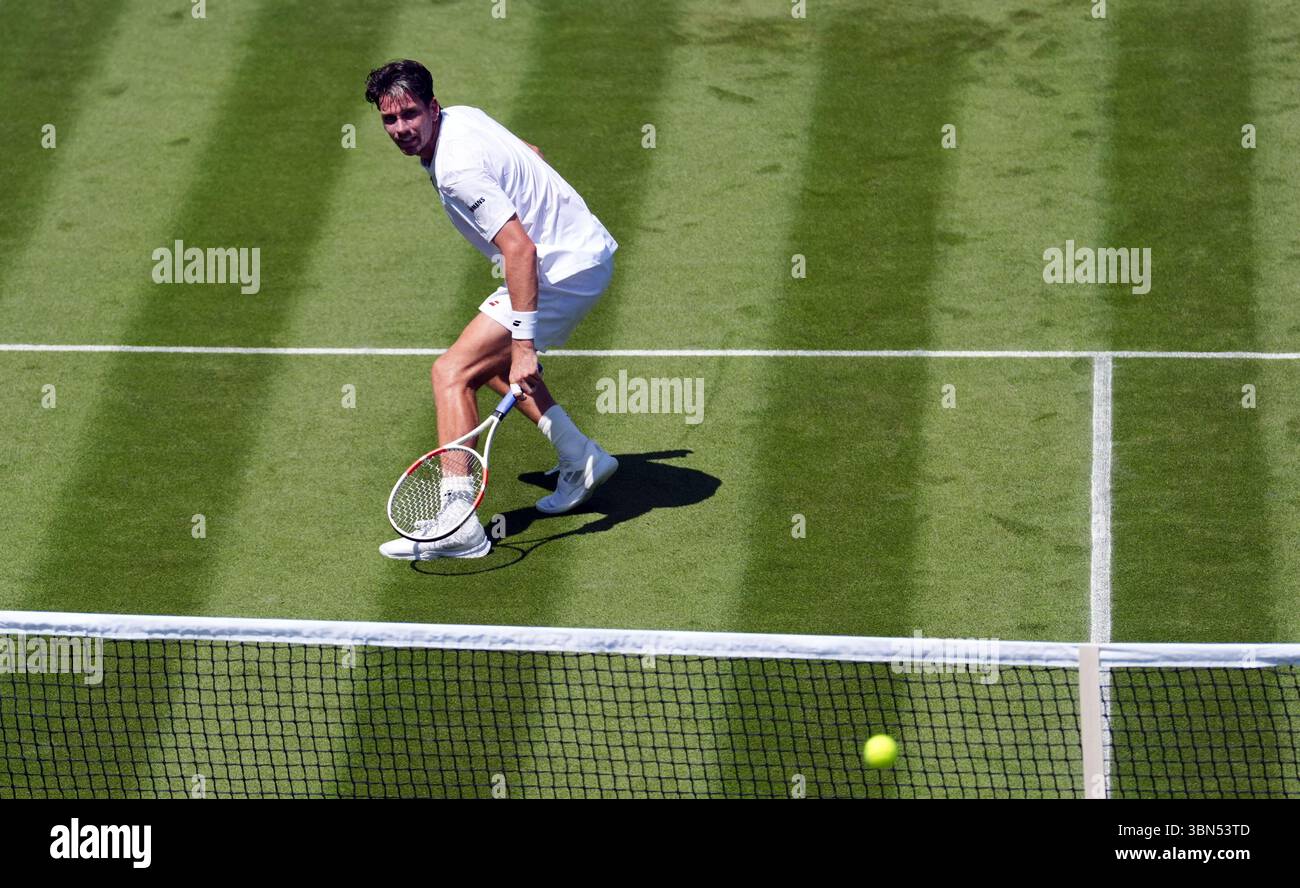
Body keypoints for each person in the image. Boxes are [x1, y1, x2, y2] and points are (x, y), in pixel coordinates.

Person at [366, 60, 619, 560]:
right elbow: (530, 152)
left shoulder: (457, 171)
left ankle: (458, 521)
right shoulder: (463, 116)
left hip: (559, 269)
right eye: (389, 120)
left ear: (432, 107)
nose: (401, 130)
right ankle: (580, 455)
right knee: (485, 363)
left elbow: (520, 251)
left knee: (452, 372)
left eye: (411, 115)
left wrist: (523, 344)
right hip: (578, 254)